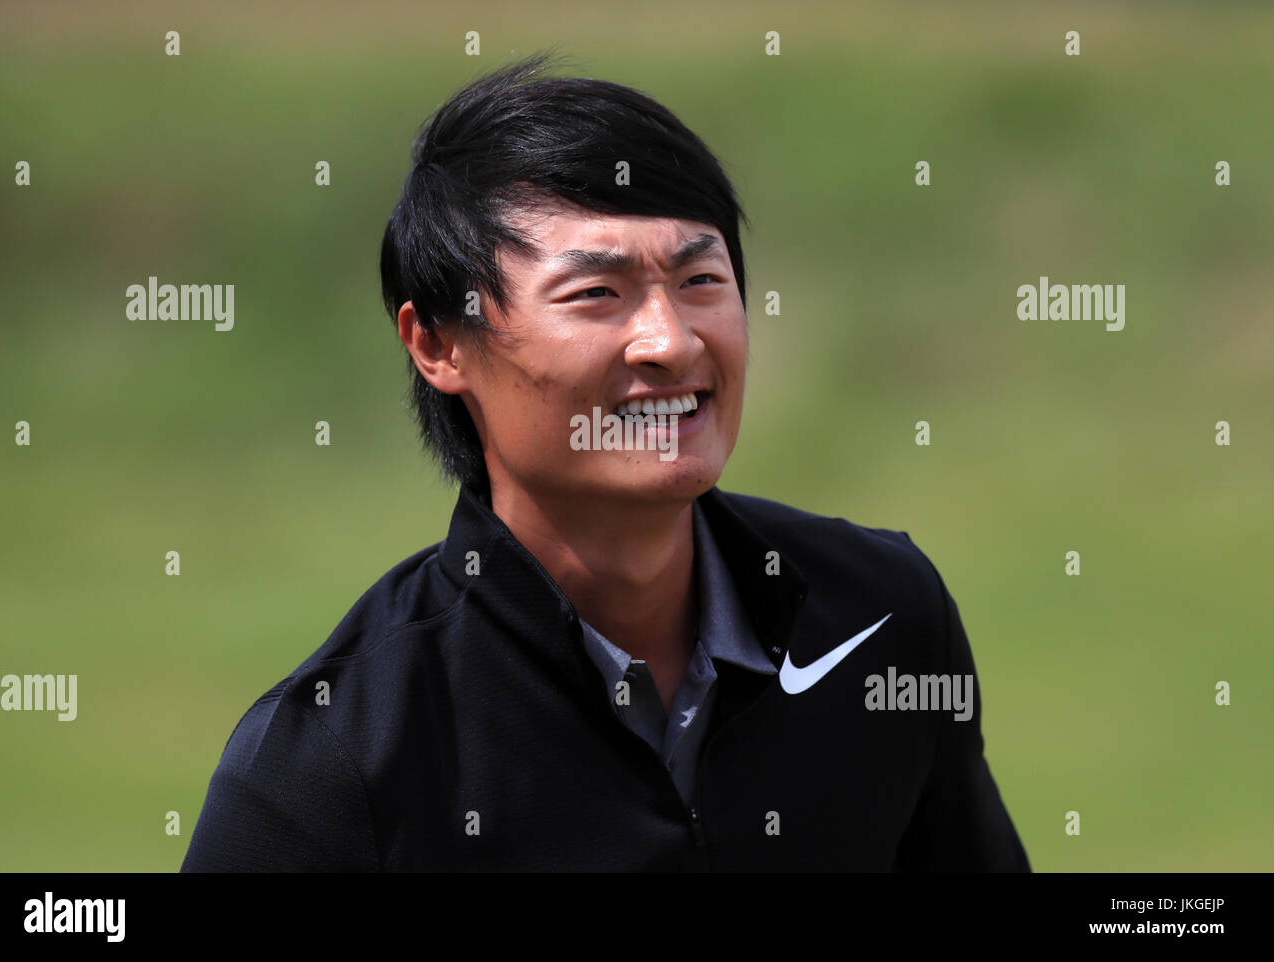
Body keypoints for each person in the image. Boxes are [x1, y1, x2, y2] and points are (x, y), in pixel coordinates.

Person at [182, 51, 1030, 872]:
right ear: (438, 345)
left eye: (701, 279)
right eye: (597, 294)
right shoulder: (330, 762)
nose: (671, 341)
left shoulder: (881, 617)